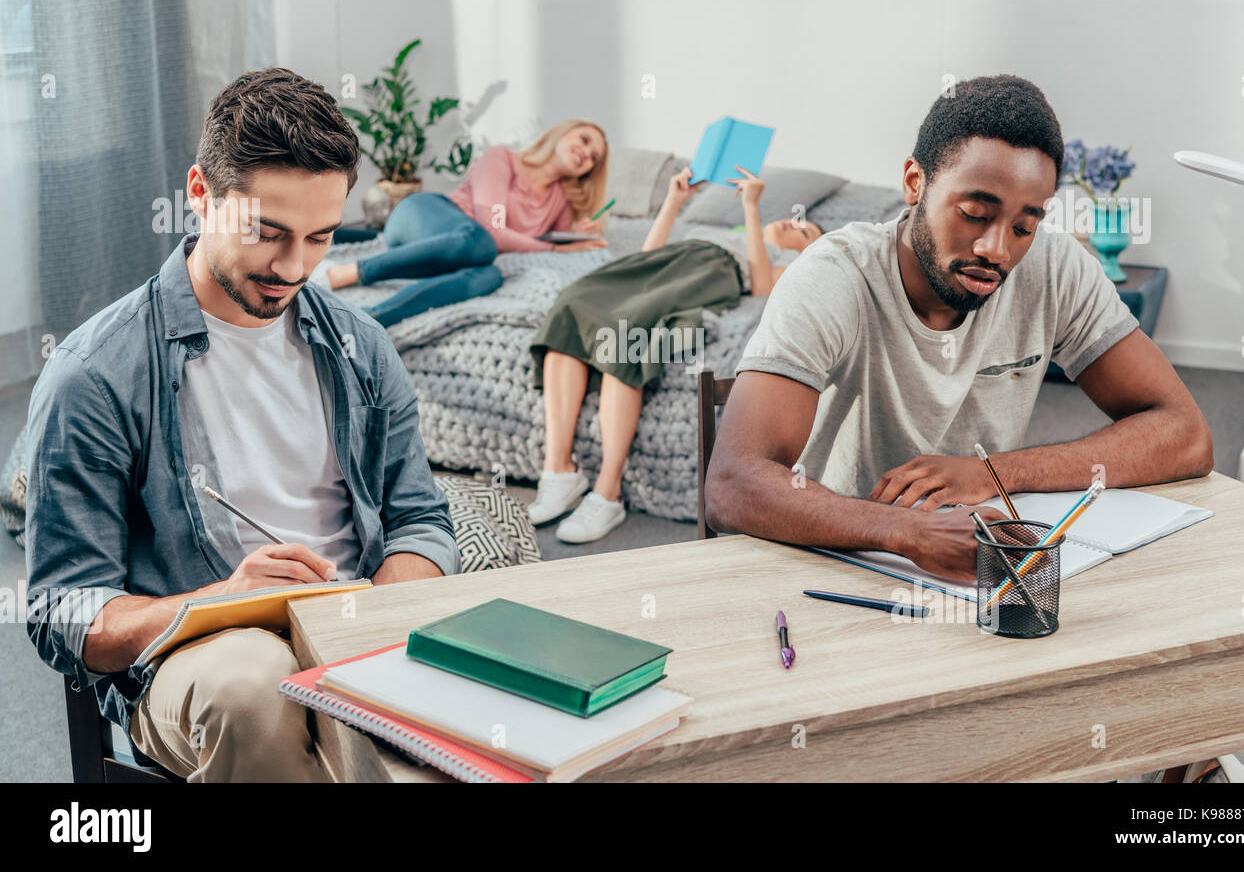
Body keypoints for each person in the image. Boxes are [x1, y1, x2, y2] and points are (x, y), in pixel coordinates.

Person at [25, 67, 460, 782]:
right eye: (267, 232)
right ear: (200, 194)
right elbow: (65, 610)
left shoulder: (361, 345)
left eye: (321, 237)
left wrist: (380, 613)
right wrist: (224, 597)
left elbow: (418, 517)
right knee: (252, 684)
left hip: (350, 622)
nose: (294, 267)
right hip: (202, 655)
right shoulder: (95, 373)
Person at [705, 74, 1215, 582]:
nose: (996, 249)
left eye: (1023, 226)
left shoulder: (1056, 267)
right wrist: (909, 532)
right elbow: (733, 482)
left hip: (971, 562)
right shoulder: (834, 277)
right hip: (834, 563)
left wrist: (994, 473)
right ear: (914, 183)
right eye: (974, 214)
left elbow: (1186, 435)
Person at [527, 162, 824, 543]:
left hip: (708, 270)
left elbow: (762, 288)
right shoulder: (718, 231)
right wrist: (673, 201)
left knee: (628, 331)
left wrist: (752, 209)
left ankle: (607, 492)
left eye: (807, 232)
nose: (795, 224)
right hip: (662, 264)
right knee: (570, 308)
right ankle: (558, 470)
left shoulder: (785, 262)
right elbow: (648, 256)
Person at [325, 120, 611, 326]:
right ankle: (349, 272)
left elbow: (552, 239)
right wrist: (552, 249)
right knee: (481, 242)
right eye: (585, 140)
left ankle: (372, 319)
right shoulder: (503, 159)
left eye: (593, 158)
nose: (586, 154)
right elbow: (495, 230)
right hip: (424, 216)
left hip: (456, 256)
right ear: (563, 132)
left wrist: (576, 235)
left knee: (490, 276)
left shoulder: (561, 199)